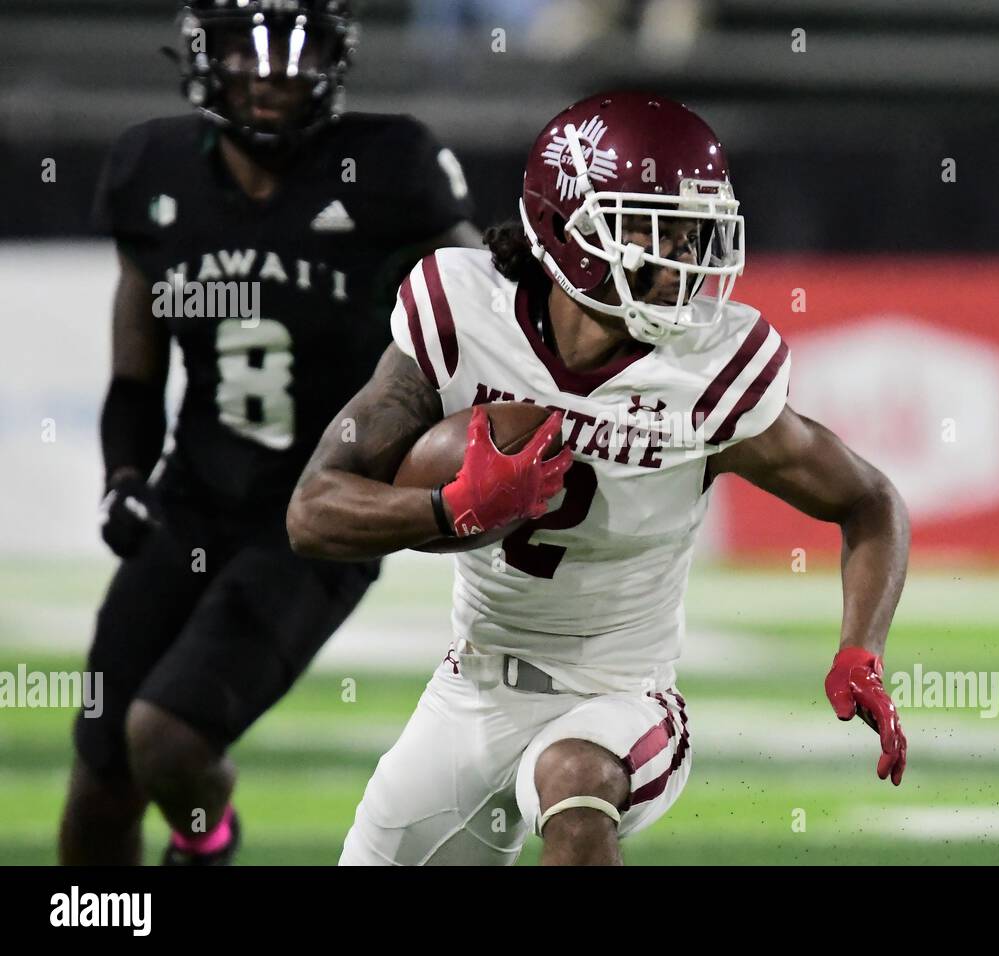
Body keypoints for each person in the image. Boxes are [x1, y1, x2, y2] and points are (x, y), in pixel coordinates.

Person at [287, 91, 908, 866]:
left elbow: (869, 500)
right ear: (567, 226)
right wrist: (453, 510)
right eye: (657, 227)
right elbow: (313, 512)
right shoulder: (464, 316)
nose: (686, 254)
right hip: (474, 685)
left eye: (697, 228)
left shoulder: (709, 374)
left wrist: (861, 650)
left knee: (572, 778)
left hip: (623, 693)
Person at [60, 0, 479, 866]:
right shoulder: (153, 166)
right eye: (245, 48)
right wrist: (123, 475)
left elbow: (481, 306)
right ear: (203, 52)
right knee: (101, 765)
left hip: (320, 511)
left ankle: (207, 839)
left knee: (166, 738)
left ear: (335, 56)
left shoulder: (390, 166)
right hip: (194, 495)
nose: (271, 72)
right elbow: (135, 369)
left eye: (299, 48)